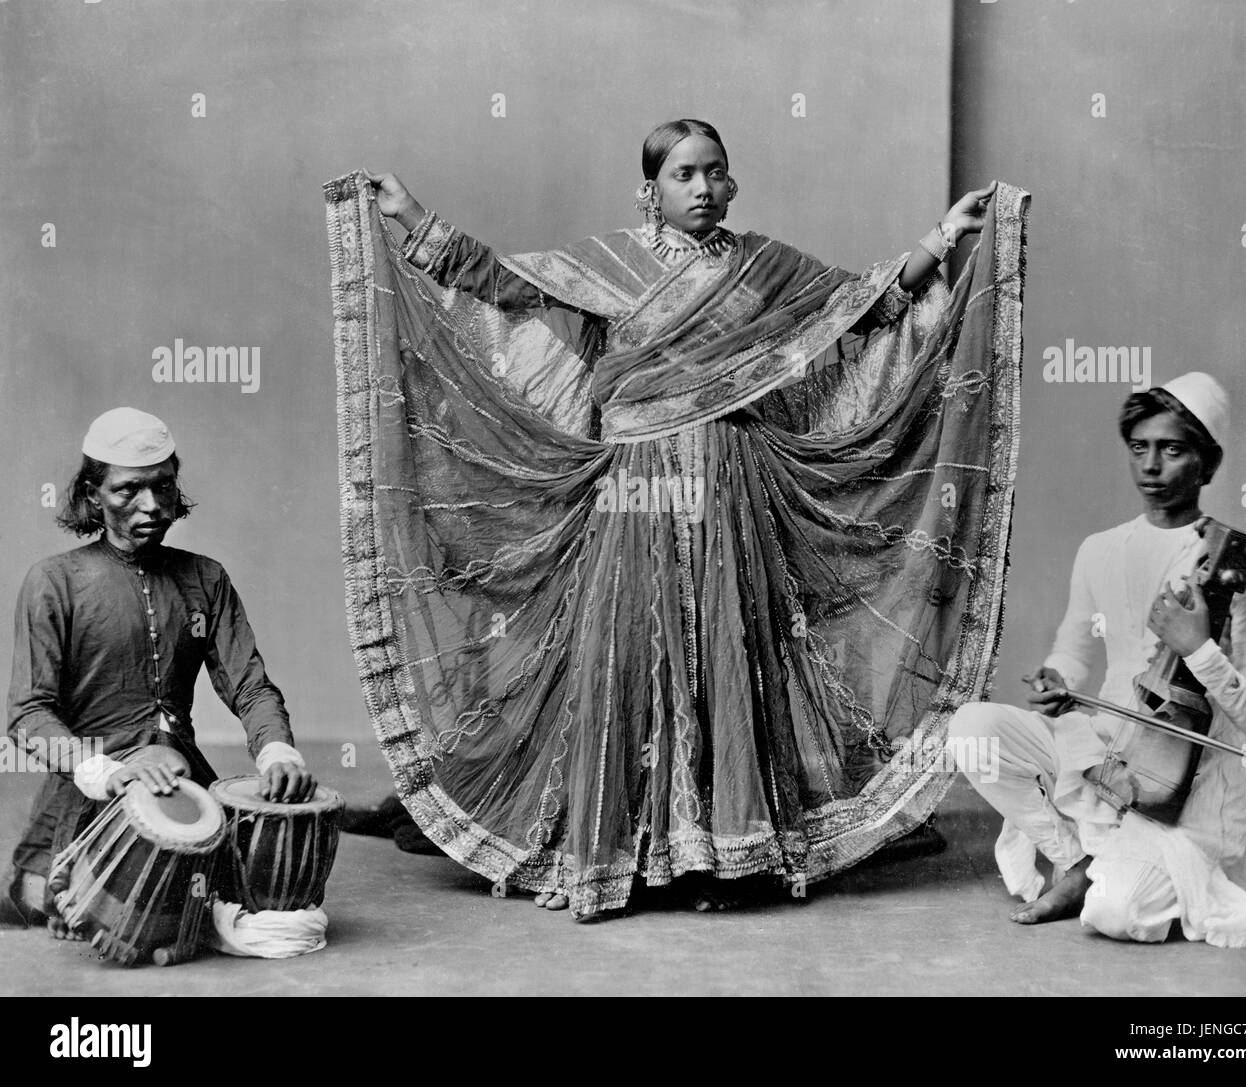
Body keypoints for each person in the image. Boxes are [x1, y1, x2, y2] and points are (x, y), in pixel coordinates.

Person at [324, 119, 1029, 920]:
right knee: (630, 648)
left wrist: (946, 235)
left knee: (729, 646)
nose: (702, 188)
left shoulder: (760, 269)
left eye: (715, 173)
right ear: (650, 189)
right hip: (637, 491)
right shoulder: (611, 267)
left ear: (732, 184)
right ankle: (624, 852)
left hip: (736, 485)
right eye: (685, 174)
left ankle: (726, 855)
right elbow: (498, 282)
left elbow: (859, 306)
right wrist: (411, 215)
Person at [949, 373, 1246, 947]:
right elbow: (1073, 650)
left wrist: (1198, 649)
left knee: (1118, 915)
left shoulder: (1239, 563)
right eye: (1140, 448)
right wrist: (1055, 677)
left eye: (1173, 449)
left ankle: (1105, 871)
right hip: (1104, 747)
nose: (1152, 466)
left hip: (1180, 778)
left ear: (1208, 465)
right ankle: (1078, 862)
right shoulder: (1101, 550)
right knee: (970, 729)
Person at [0, 407, 316, 938]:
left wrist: (278, 751)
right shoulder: (53, 582)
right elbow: (28, 714)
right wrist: (105, 773)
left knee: (235, 903)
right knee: (59, 907)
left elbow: (250, 684)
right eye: (128, 490)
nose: (151, 505)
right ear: (92, 492)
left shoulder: (205, 577)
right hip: (90, 790)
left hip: (182, 777)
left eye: (163, 486)